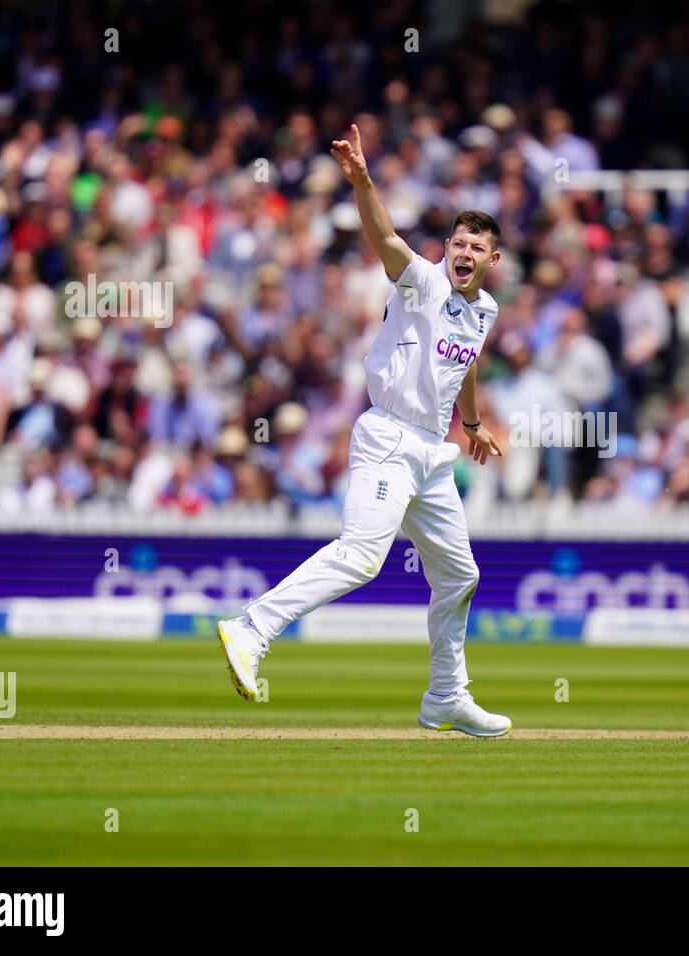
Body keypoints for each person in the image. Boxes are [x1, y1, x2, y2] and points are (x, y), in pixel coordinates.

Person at [215, 125, 513, 738]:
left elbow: (467, 359)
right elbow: (384, 238)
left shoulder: (484, 311)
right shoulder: (423, 279)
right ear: (447, 248)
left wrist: (475, 424)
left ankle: (446, 697)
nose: (463, 253)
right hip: (389, 437)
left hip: (435, 452)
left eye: (475, 248)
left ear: (492, 260)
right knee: (362, 556)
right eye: (457, 242)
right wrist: (363, 181)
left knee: (461, 575)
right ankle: (252, 627)